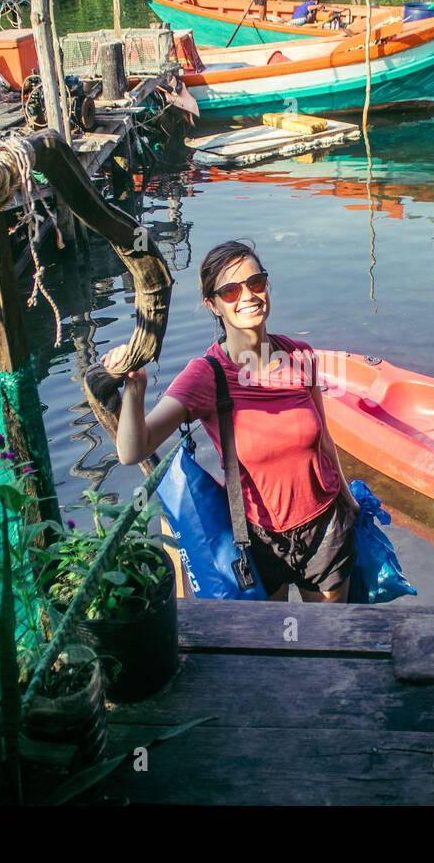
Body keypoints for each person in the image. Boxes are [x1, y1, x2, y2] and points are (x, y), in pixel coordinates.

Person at [102, 240, 361, 603]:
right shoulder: (206, 376)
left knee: (332, 640)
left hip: (325, 526)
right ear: (213, 304)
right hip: (258, 537)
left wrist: (349, 501)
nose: (248, 296)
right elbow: (133, 450)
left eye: (256, 282)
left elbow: (325, 440)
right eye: (230, 290)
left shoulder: (300, 356)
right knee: (273, 644)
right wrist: (134, 389)